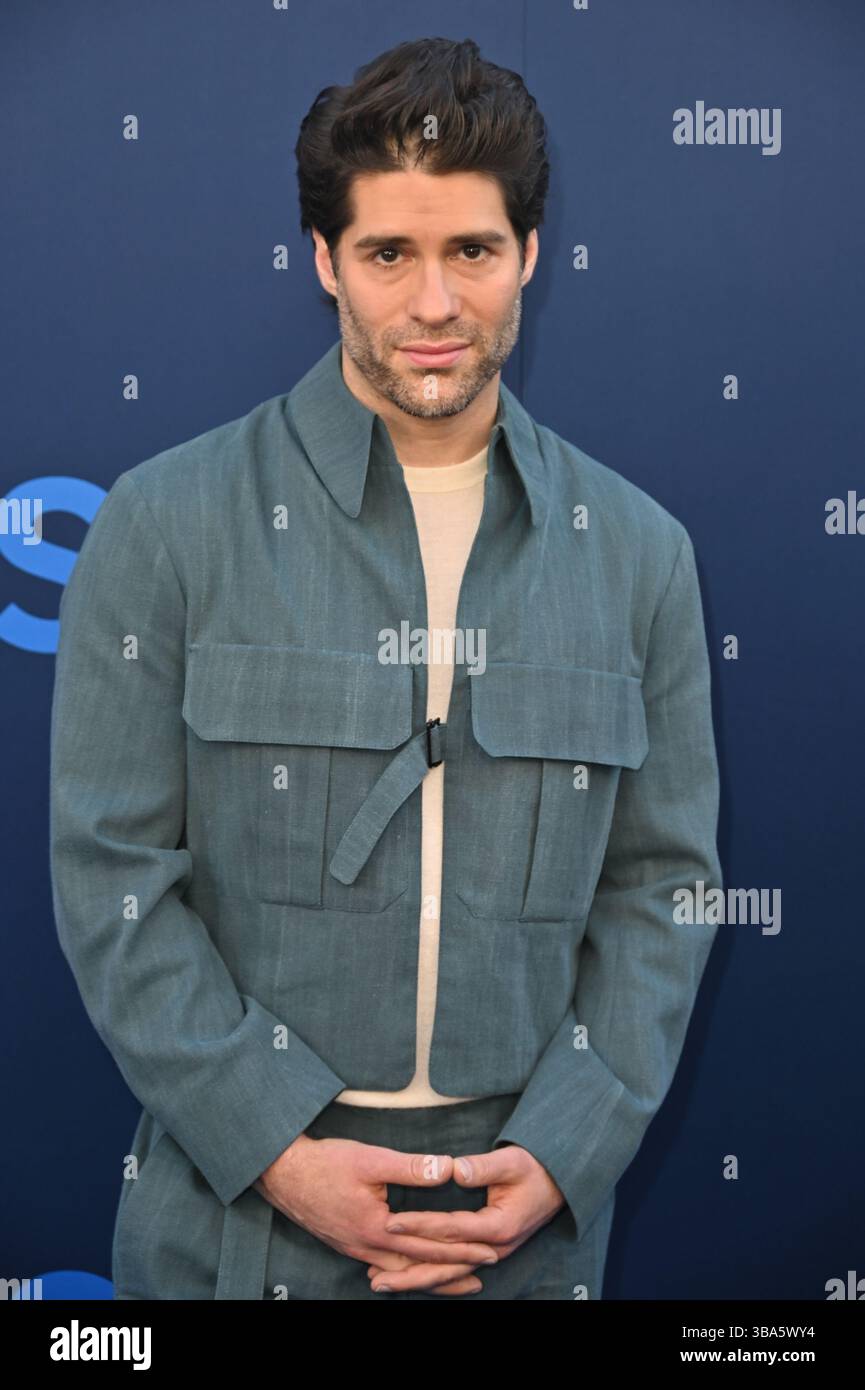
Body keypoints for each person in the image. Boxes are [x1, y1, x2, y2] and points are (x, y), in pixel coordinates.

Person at [49, 36, 723, 1300]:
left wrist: (561, 1150)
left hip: (516, 1234)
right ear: (323, 263)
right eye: (387, 254)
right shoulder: (163, 524)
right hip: (235, 1218)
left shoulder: (639, 555)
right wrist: (278, 1148)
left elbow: (664, 892)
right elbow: (112, 881)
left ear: (529, 252)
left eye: (470, 250)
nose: (432, 305)